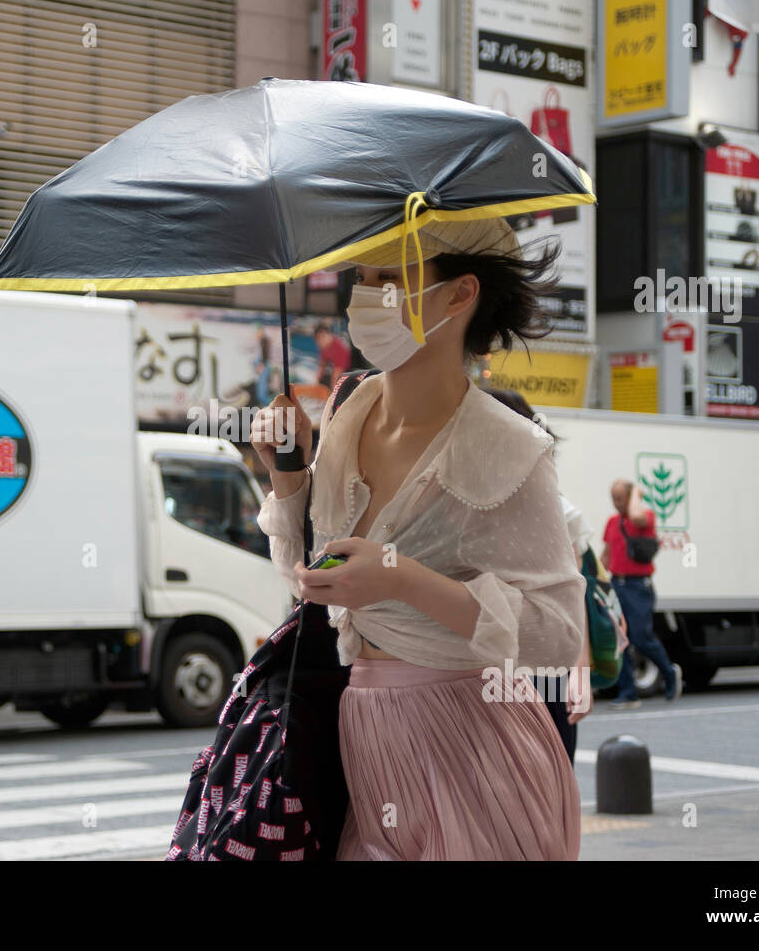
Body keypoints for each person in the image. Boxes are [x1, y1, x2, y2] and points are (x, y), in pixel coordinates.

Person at [250, 218, 585, 860]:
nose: (364, 297)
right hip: (367, 739)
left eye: (389, 280)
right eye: (360, 279)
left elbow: (558, 635)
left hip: (477, 745)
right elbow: (305, 580)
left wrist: (403, 579)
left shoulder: (509, 446)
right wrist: (287, 475)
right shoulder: (347, 413)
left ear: (460, 296)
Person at [484, 388, 593, 764]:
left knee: (550, 784)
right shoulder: (462, 503)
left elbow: (573, 596)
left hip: (544, 669)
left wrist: (580, 674)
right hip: (480, 672)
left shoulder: (556, 507)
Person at [603, 479, 682, 708]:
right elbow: (607, 555)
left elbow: (636, 516)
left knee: (640, 636)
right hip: (616, 584)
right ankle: (628, 693)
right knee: (620, 640)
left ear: (630, 498)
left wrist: (636, 492)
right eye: (613, 498)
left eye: (620, 498)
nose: (616, 503)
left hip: (638, 586)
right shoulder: (612, 522)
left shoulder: (644, 518)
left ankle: (669, 672)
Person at [314, 323, 351, 390]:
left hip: (348, 373)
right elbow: (321, 366)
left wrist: (332, 394)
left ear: (330, 335)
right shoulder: (325, 347)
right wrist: (316, 384)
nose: (321, 341)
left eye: (323, 336)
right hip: (335, 371)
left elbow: (337, 373)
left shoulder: (339, 348)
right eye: (318, 338)